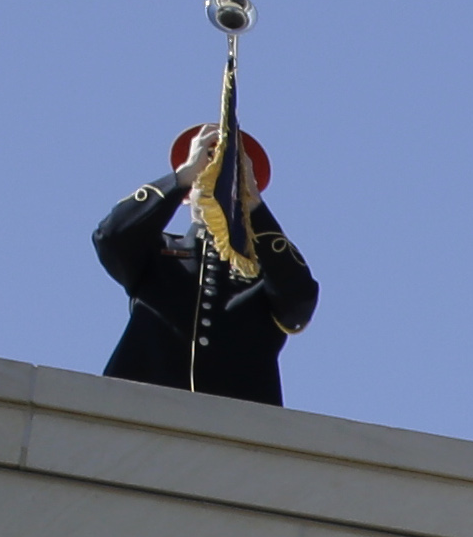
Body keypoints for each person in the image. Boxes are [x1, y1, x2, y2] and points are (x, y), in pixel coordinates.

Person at [94, 124, 314, 405]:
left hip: (236, 425)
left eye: (226, 177)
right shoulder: (157, 251)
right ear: (188, 195)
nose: (214, 183)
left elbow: (299, 302)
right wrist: (182, 177)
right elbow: (110, 237)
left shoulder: (265, 270)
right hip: (141, 409)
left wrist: (255, 209)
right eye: (206, 173)